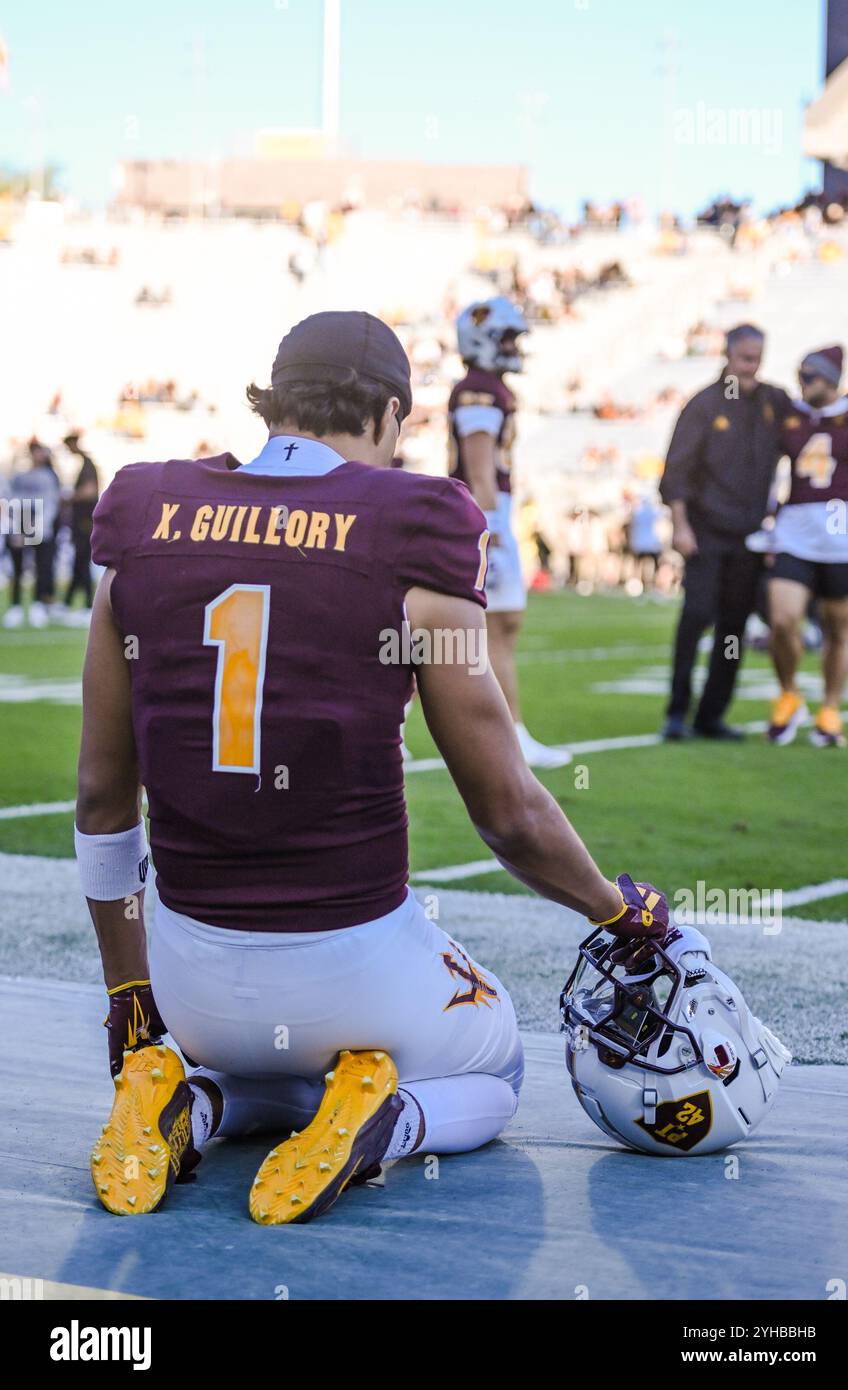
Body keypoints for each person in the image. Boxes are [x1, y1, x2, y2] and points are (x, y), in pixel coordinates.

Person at [77, 310, 668, 1225]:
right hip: (354, 964)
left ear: (273, 398)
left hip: (189, 977)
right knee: (494, 1062)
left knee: (257, 1057)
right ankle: (387, 1122)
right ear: (392, 414)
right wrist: (617, 908)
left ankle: (197, 1100)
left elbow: (102, 798)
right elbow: (505, 810)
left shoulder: (145, 509)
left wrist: (130, 988)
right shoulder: (413, 520)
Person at [447, 297, 570, 768]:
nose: (514, 346)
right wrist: (489, 529)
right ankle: (510, 737)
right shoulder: (479, 390)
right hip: (485, 517)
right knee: (487, 630)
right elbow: (479, 471)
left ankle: (510, 734)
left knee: (496, 627)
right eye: (507, 337)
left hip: (491, 515)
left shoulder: (490, 388)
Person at [659, 325, 789, 740]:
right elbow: (676, 471)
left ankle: (711, 714)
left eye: (757, 358)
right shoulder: (704, 404)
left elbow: (808, 436)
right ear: (727, 356)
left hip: (751, 536)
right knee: (697, 616)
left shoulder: (773, 401)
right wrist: (681, 526)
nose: (751, 367)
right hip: (706, 532)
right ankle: (677, 710)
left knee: (734, 627)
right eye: (745, 358)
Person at [763, 346, 848, 747]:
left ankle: (830, 708)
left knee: (838, 629)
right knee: (783, 619)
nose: (803, 384)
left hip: (846, 535)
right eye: (801, 375)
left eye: (811, 377)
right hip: (796, 530)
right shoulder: (790, 416)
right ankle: (789, 693)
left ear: (832, 379)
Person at [2, 440, 61, 629]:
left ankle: (38, 605)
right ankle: (16, 606)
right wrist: (16, 529)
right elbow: (10, 501)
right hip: (21, 524)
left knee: (41, 567)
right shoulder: (20, 475)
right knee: (17, 568)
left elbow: (52, 504)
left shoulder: (50, 477)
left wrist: (38, 526)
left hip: (41, 528)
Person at [60, 433, 99, 620]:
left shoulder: (87, 465)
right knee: (79, 562)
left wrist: (69, 498)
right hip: (81, 521)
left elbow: (89, 491)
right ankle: (69, 603)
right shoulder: (84, 464)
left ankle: (87, 605)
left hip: (85, 521)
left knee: (82, 562)